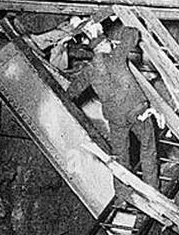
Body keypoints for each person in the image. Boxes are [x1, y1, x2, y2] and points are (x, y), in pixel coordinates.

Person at [67, 25, 159, 188]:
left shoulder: (89, 71)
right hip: (136, 111)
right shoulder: (116, 57)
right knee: (148, 147)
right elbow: (132, 34)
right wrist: (101, 30)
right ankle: (152, 188)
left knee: (119, 156)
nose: (111, 44)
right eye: (107, 42)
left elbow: (72, 92)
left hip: (116, 118)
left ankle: (122, 192)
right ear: (102, 46)